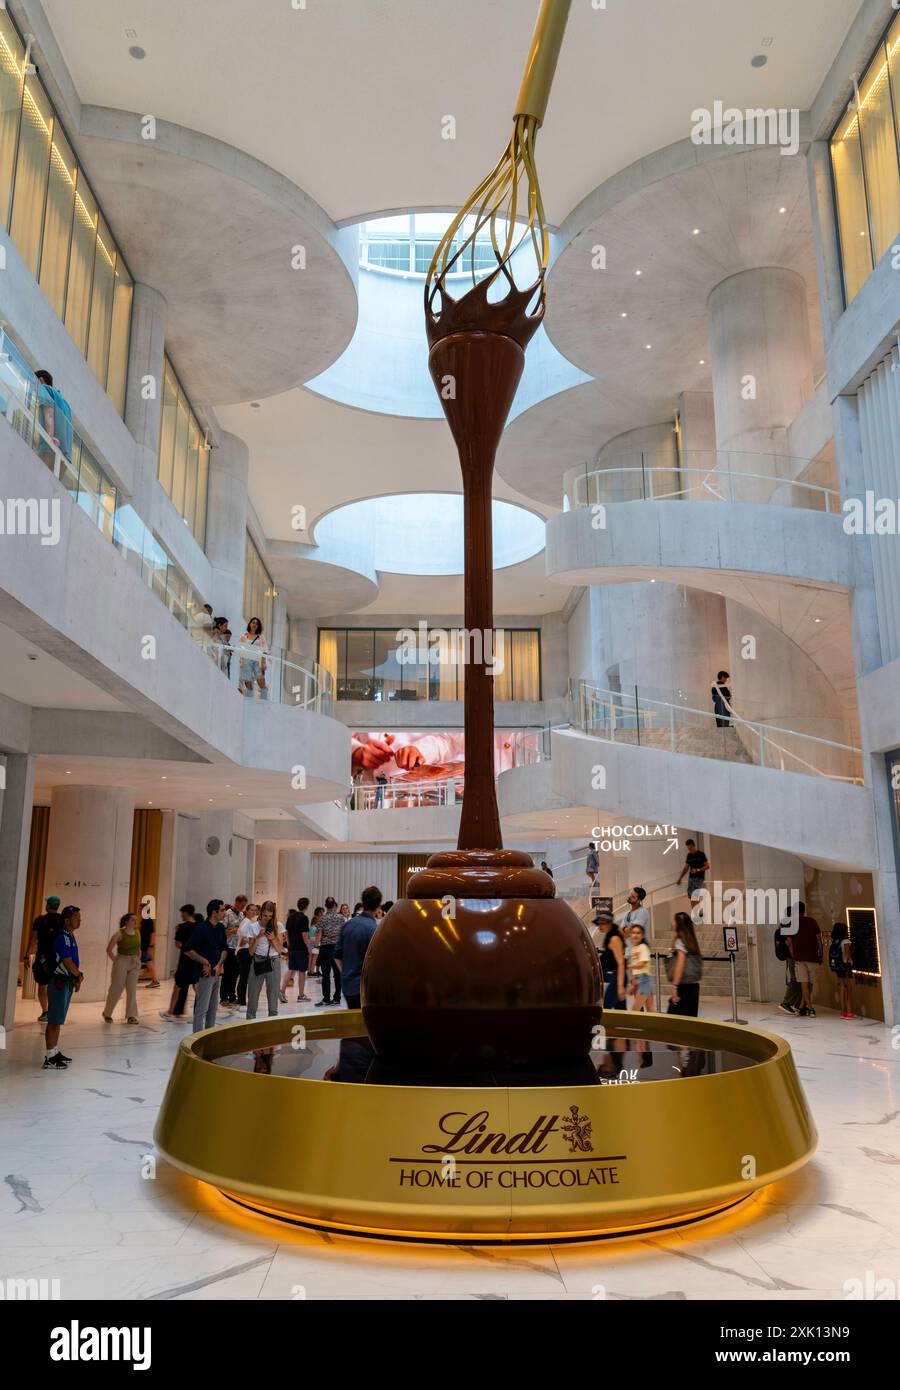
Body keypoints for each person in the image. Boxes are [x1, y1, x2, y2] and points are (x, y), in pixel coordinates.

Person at [43, 905, 83, 1069]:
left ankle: (54, 1051)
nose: (79, 919)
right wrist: (78, 975)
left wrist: (76, 977)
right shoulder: (62, 937)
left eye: (80, 917)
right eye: (76, 917)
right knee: (53, 1020)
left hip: (66, 981)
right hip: (58, 981)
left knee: (58, 1019)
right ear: (66, 920)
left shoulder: (70, 936)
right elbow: (67, 961)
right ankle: (50, 1057)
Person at [183, 900, 227, 1033]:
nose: (224, 913)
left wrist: (219, 965)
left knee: (213, 1008)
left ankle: (209, 1036)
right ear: (214, 912)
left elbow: (224, 949)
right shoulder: (201, 928)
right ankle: (196, 1038)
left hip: (216, 972)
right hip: (205, 974)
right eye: (223, 910)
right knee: (202, 1008)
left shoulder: (220, 928)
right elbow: (187, 949)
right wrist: (204, 962)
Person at [334, 886, 382, 1009]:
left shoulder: (347, 925)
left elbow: (337, 955)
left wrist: (345, 973)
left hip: (347, 985)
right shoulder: (374, 929)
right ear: (378, 908)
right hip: (365, 988)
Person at [25, 894, 64, 1023]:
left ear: (47, 906)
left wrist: (26, 956)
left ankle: (45, 1012)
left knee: (42, 985)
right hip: (58, 958)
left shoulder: (40, 920)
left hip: (42, 957)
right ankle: (54, 1012)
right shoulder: (62, 920)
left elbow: (33, 939)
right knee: (56, 985)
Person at [159, 904, 200, 1022]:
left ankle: (170, 1012)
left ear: (186, 913)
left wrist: (186, 946)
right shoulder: (199, 927)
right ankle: (197, 1014)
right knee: (197, 987)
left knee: (178, 986)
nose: (181, 915)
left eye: (182, 913)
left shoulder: (182, 927)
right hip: (196, 960)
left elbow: (178, 944)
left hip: (185, 961)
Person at [103, 912, 142, 1024]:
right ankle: (107, 1013)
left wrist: (138, 960)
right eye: (133, 920)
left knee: (132, 990)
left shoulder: (137, 933)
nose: (135, 922)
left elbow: (138, 948)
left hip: (134, 962)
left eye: (136, 920)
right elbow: (109, 949)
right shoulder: (119, 934)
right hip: (122, 961)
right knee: (116, 989)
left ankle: (131, 1015)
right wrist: (116, 961)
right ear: (126, 921)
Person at [246, 900, 283, 1019]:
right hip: (257, 961)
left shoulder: (278, 926)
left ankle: (272, 1025)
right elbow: (251, 952)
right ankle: (250, 1024)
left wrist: (272, 939)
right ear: (260, 913)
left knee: (273, 997)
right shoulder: (253, 926)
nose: (267, 919)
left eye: (270, 916)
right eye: (265, 915)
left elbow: (279, 950)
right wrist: (258, 938)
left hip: (273, 962)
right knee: (253, 995)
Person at [789, 901, 823, 1018]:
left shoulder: (792, 923)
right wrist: (821, 955)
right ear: (804, 910)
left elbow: (790, 942)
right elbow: (819, 939)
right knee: (810, 983)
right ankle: (810, 1007)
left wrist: (793, 955)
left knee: (804, 983)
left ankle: (804, 1006)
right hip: (812, 957)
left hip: (799, 958)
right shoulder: (812, 921)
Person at [666, 912, 703, 1016]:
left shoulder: (679, 941)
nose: (672, 922)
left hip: (683, 986)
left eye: (674, 920)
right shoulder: (691, 940)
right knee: (689, 1019)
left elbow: (680, 964)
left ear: (679, 923)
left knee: (674, 1019)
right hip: (693, 986)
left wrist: (674, 986)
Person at [35, 369, 73, 465]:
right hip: (64, 459)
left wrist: (48, 440)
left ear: (40, 380)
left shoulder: (44, 388)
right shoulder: (65, 404)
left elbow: (49, 415)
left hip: (50, 449)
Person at [316, 897, 345, 1006]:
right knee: (337, 974)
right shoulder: (341, 918)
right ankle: (337, 998)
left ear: (326, 905)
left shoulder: (322, 919)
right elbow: (343, 933)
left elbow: (317, 935)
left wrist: (314, 947)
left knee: (326, 975)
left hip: (325, 948)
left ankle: (326, 999)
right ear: (334, 905)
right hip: (337, 948)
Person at [281, 896, 311, 1003]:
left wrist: (289, 945)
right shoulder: (304, 918)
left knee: (291, 969)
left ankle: (282, 991)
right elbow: (304, 935)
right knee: (302, 971)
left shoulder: (291, 917)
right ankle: (301, 995)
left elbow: (287, 933)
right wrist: (309, 947)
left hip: (292, 948)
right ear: (306, 906)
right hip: (301, 949)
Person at [596, 909, 626, 1009]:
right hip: (613, 976)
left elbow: (621, 963)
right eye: (599, 923)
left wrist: (620, 985)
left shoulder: (614, 939)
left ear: (609, 924)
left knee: (607, 1007)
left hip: (616, 978)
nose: (600, 926)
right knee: (620, 1009)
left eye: (602, 923)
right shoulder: (610, 937)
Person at [220, 895, 247, 1007]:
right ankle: (223, 997)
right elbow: (222, 931)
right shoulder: (227, 913)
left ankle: (232, 996)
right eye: (242, 905)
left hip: (238, 948)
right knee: (227, 973)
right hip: (229, 947)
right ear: (236, 902)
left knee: (235, 974)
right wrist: (235, 931)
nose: (243, 907)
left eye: (244, 905)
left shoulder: (241, 914)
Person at [776, 909, 803, 1016]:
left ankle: (796, 1004)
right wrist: (794, 956)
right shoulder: (789, 925)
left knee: (797, 979)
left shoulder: (783, 924)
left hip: (789, 957)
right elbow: (790, 943)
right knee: (795, 979)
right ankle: (787, 1003)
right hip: (792, 957)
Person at [828, 921, 854, 1019]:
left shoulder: (834, 941)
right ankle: (850, 1012)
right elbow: (847, 955)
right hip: (846, 966)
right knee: (849, 989)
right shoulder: (846, 941)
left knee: (842, 987)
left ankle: (843, 1012)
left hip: (838, 966)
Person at [239, 616, 269, 699]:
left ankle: (264, 700)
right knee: (247, 681)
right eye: (253, 622)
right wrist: (241, 662)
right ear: (250, 624)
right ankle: (249, 699)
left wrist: (263, 662)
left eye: (257, 623)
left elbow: (265, 650)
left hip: (257, 660)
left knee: (260, 680)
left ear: (258, 626)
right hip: (246, 660)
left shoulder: (261, 637)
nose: (254, 624)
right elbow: (240, 650)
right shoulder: (243, 636)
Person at [236, 902, 259, 1006]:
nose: (254, 912)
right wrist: (251, 941)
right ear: (247, 911)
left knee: (243, 977)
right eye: (251, 910)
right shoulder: (248, 922)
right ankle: (241, 1001)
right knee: (244, 977)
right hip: (244, 952)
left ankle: (241, 999)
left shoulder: (247, 921)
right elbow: (242, 939)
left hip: (243, 951)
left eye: (255, 910)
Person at [628, 922, 654, 1012]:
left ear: (642, 936)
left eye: (638, 933)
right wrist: (633, 981)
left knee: (635, 1009)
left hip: (644, 979)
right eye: (633, 933)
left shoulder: (643, 947)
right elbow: (636, 968)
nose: (635, 935)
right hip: (640, 979)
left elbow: (642, 964)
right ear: (630, 935)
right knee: (650, 1008)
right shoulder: (634, 948)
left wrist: (628, 966)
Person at [138, 905, 159, 988]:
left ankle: (155, 981)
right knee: (146, 962)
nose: (139, 911)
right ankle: (154, 980)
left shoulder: (148, 920)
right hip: (144, 946)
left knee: (147, 962)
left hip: (145, 946)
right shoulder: (144, 920)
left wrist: (150, 945)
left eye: (140, 909)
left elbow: (152, 933)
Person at [307, 905, 323, 977]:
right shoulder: (317, 928)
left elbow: (308, 936)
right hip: (316, 944)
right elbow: (318, 937)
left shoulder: (310, 928)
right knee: (314, 959)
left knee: (310, 958)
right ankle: (312, 972)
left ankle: (309, 971)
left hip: (310, 943)